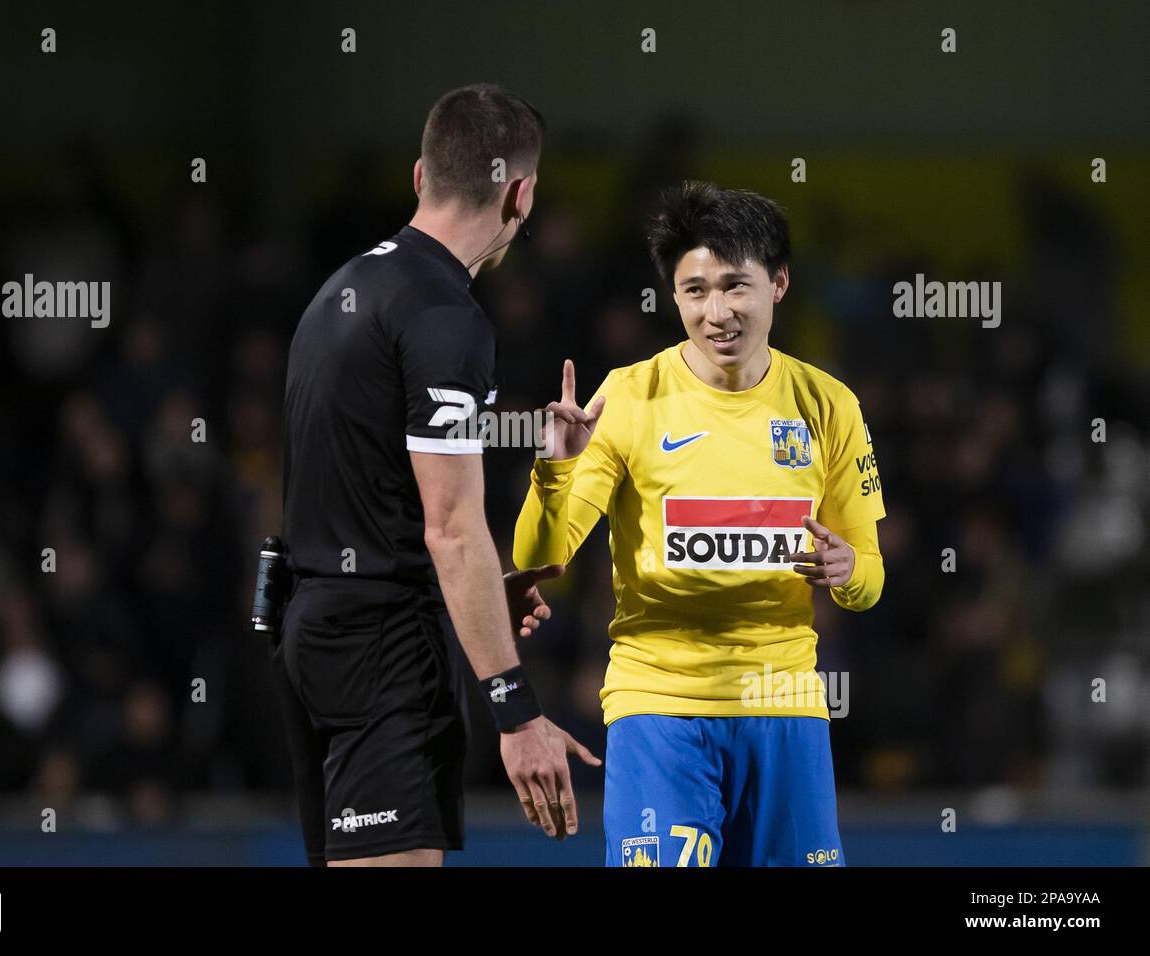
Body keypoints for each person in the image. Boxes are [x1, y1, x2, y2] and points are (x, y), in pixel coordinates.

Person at [273, 83, 599, 868]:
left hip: (310, 633)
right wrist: (518, 717)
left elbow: (370, 498)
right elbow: (450, 528)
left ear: (421, 176)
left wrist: (483, 591)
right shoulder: (445, 315)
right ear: (520, 195)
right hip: (382, 655)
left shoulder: (339, 292)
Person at [513, 181, 885, 866]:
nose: (716, 312)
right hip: (659, 704)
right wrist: (554, 469)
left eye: (735, 286)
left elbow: (868, 579)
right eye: (694, 291)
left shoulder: (829, 406)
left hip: (786, 705)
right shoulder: (629, 397)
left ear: (778, 283)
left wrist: (849, 571)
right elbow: (542, 558)